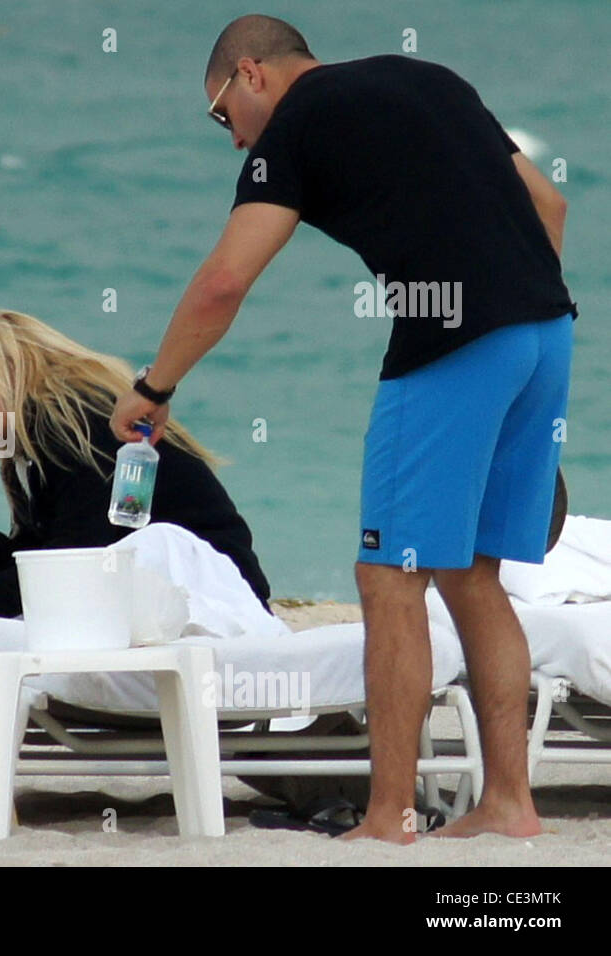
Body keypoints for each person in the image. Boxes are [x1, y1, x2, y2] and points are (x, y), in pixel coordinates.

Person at [109, 15, 574, 843]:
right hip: (545, 332)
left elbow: (223, 282)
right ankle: (510, 806)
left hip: (455, 346)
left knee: (389, 580)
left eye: (222, 116)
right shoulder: (430, 76)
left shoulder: (296, 126)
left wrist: (155, 387)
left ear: (249, 73)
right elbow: (549, 202)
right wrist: (518, 329)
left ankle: (391, 818)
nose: (233, 140)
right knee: (474, 574)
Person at [0, 309, 277, 636]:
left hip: (212, 599)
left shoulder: (79, 425)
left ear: (16, 368)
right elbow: (35, 563)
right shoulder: (49, 441)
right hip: (165, 593)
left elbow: (65, 565)